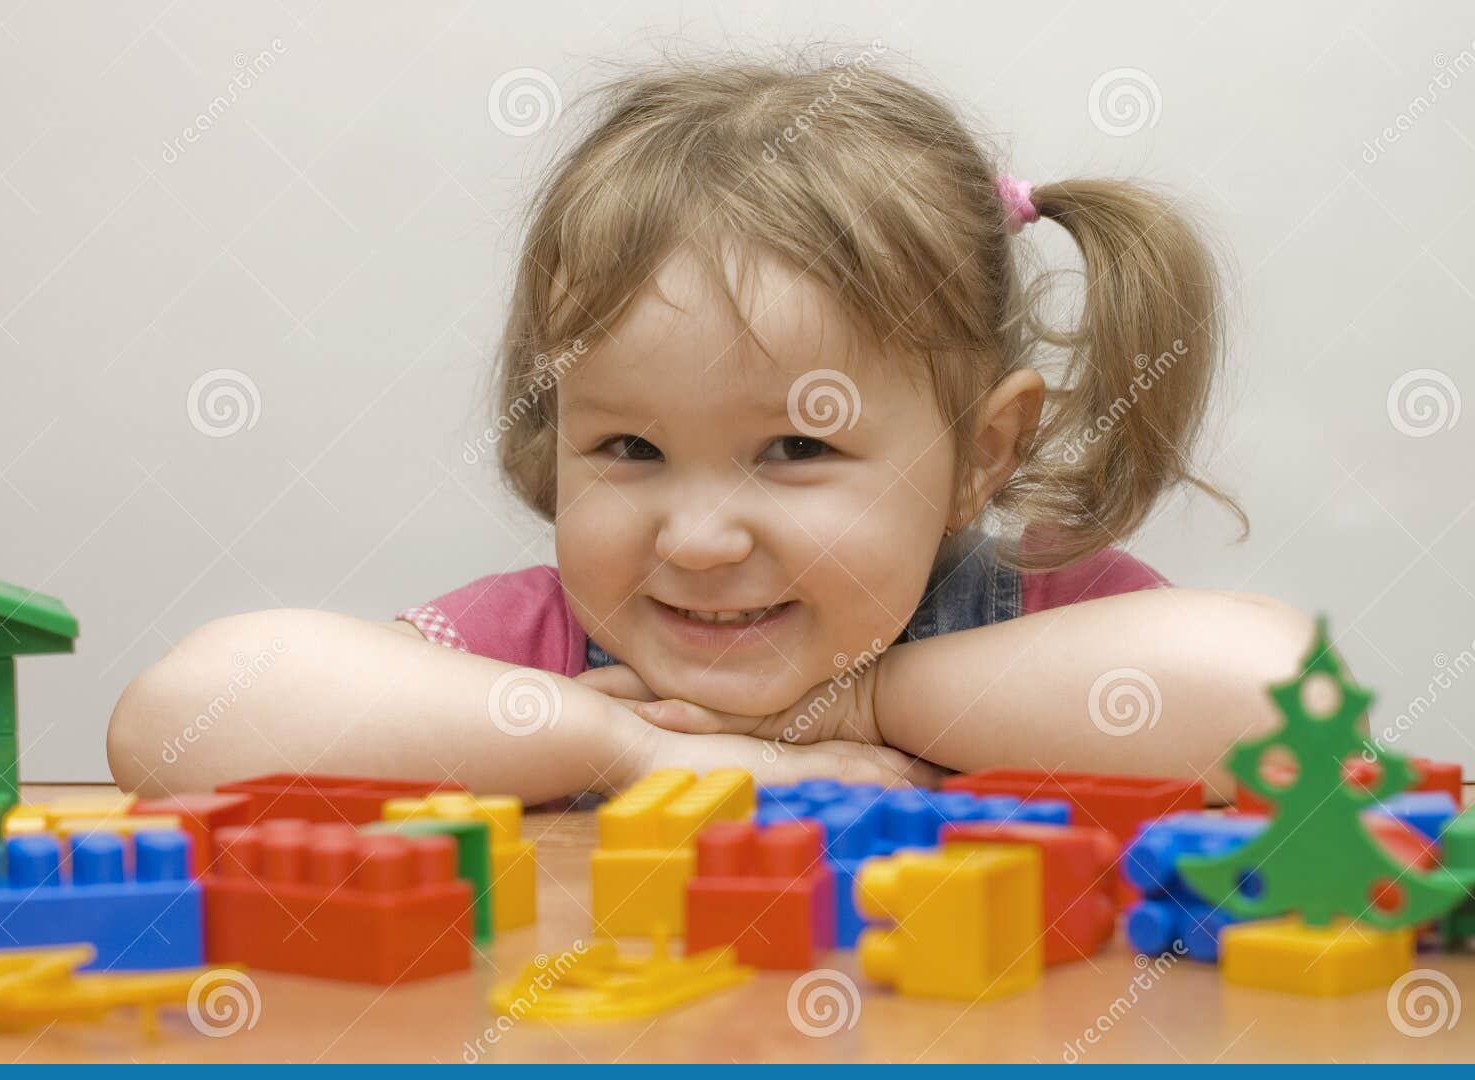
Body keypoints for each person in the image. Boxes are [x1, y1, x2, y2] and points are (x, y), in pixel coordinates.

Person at [109, 54, 1314, 805]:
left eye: (796, 448)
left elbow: (1283, 704)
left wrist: (867, 702)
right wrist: (624, 746)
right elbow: (180, 717)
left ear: (982, 453)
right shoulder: (536, 654)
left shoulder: (1041, 622)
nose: (693, 539)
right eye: (628, 449)